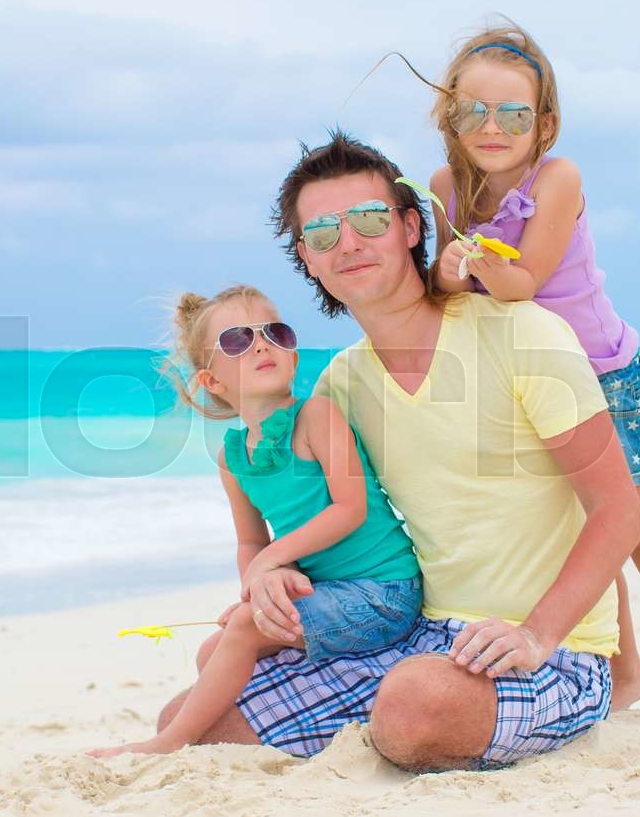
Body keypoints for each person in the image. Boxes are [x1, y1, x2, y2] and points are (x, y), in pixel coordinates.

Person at [151, 132, 640, 771]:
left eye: (369, 220)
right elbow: (322, 528)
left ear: (412, 227)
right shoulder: (342, 386)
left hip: (553, 649)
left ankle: (448, 707)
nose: (349, 242)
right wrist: (269, 577)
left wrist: (537, 633)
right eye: (324, 233)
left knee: (414, 705)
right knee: (190, 719)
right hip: (413, 634)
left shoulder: (525, 335)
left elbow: (619, 513)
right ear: (308, 257)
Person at [425, 22, 640, 724]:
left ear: (543, 123)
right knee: (584, 541)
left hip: (607, 382)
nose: (493, 127)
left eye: (514, 113)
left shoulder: (559, 178)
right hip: (535, 388)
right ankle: (628, 671)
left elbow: (524, 281)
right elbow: (440, 281)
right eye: (474, 111)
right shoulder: (443, 186)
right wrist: (452, 270)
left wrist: (482, 268)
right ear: (449, 116)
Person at [89, 284, 422, 758]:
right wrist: (259, 586)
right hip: (323, 590)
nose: (261, 343)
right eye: (237, 341)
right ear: (212, 382)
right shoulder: (232, 459)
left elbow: (351, 509)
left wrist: (270, 565)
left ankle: (166, 743)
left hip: (384, 593)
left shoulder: (317, 417)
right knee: (212, 650)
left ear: (293, 357)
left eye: (275, 332)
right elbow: (250, 542)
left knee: (243, 630)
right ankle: (296, 710)